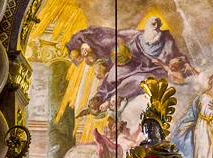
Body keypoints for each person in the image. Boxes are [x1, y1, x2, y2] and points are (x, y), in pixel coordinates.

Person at [65, 17, 199, 106]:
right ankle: (100, 96)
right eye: (152, 23)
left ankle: (115, 97)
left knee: (137, 80)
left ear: (159, 26)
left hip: (155, 70)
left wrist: (185, 63)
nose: (154, 26)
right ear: (147, 26)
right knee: (115, 71)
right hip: (137, 63)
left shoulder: (167, 40)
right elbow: (131, 52)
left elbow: (178, 56)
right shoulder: (139, 38)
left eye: (157, 24)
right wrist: (123, 60)